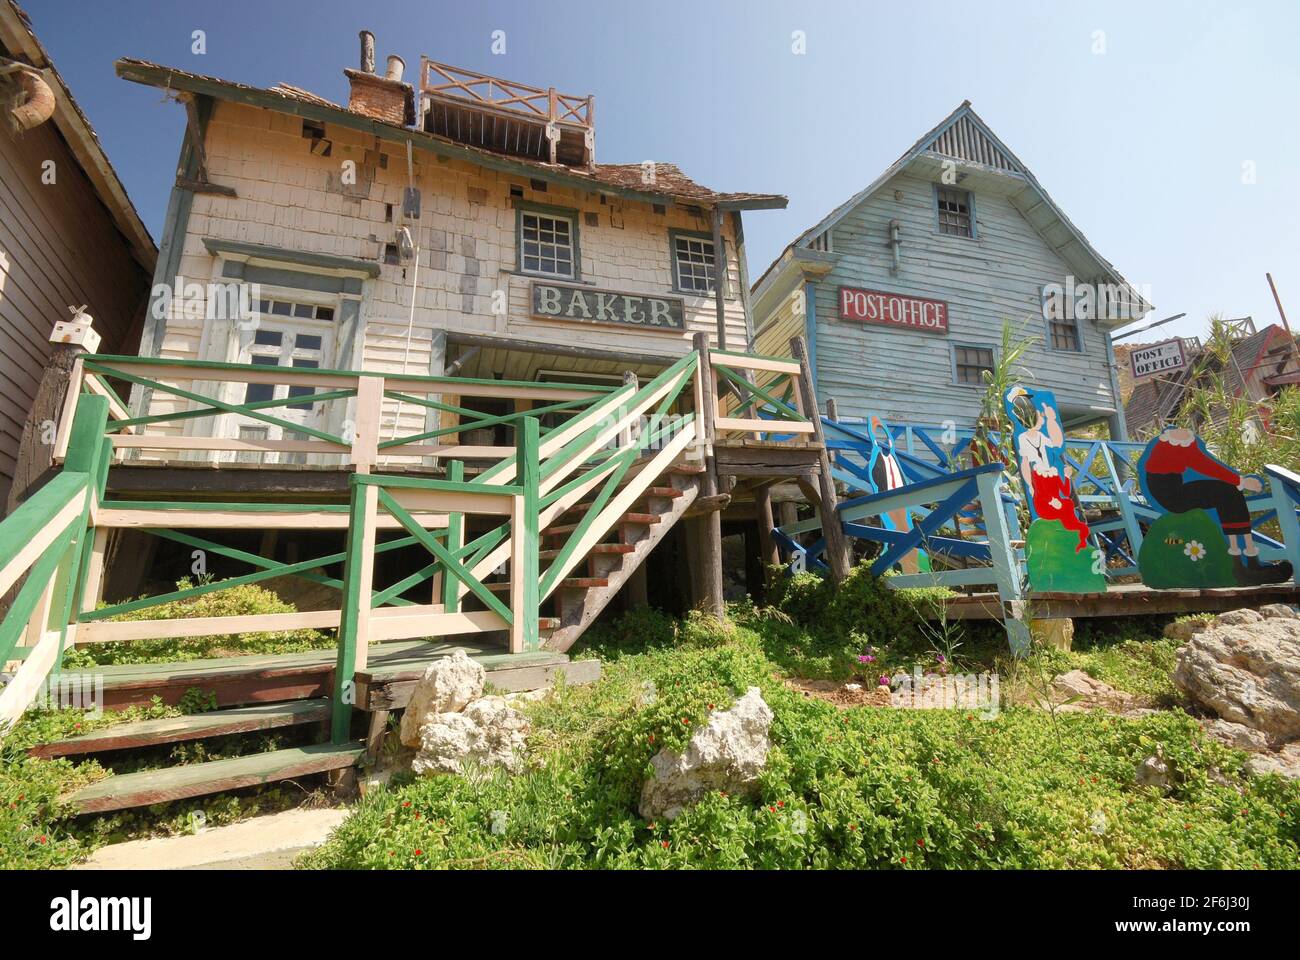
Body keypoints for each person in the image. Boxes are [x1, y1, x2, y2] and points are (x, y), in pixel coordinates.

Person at [1142, 425, 1293, 586]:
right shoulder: (1171, 444)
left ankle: (1251, 561)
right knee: (1226, 492)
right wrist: (1240, 481)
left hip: (1175, 487)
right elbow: (1204, 465)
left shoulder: (1183, 441)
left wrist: (1238, 482)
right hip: (1171, 496)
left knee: (1230, 491)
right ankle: (1239, 566)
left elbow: (1203, 463)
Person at [1010, 390, 1091, 552]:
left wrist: (1052, 419)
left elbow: (1057, 444)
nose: (1041, 417)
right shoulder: (1022, 438)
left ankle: (1075, 545)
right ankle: (1059, 546)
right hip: (1040, 485)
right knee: (1057, 511)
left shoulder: (1042, 437)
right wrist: (1031, 486)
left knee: (1068, 508)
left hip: (1052, 479)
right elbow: (1025, 463)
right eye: (1039, 415)